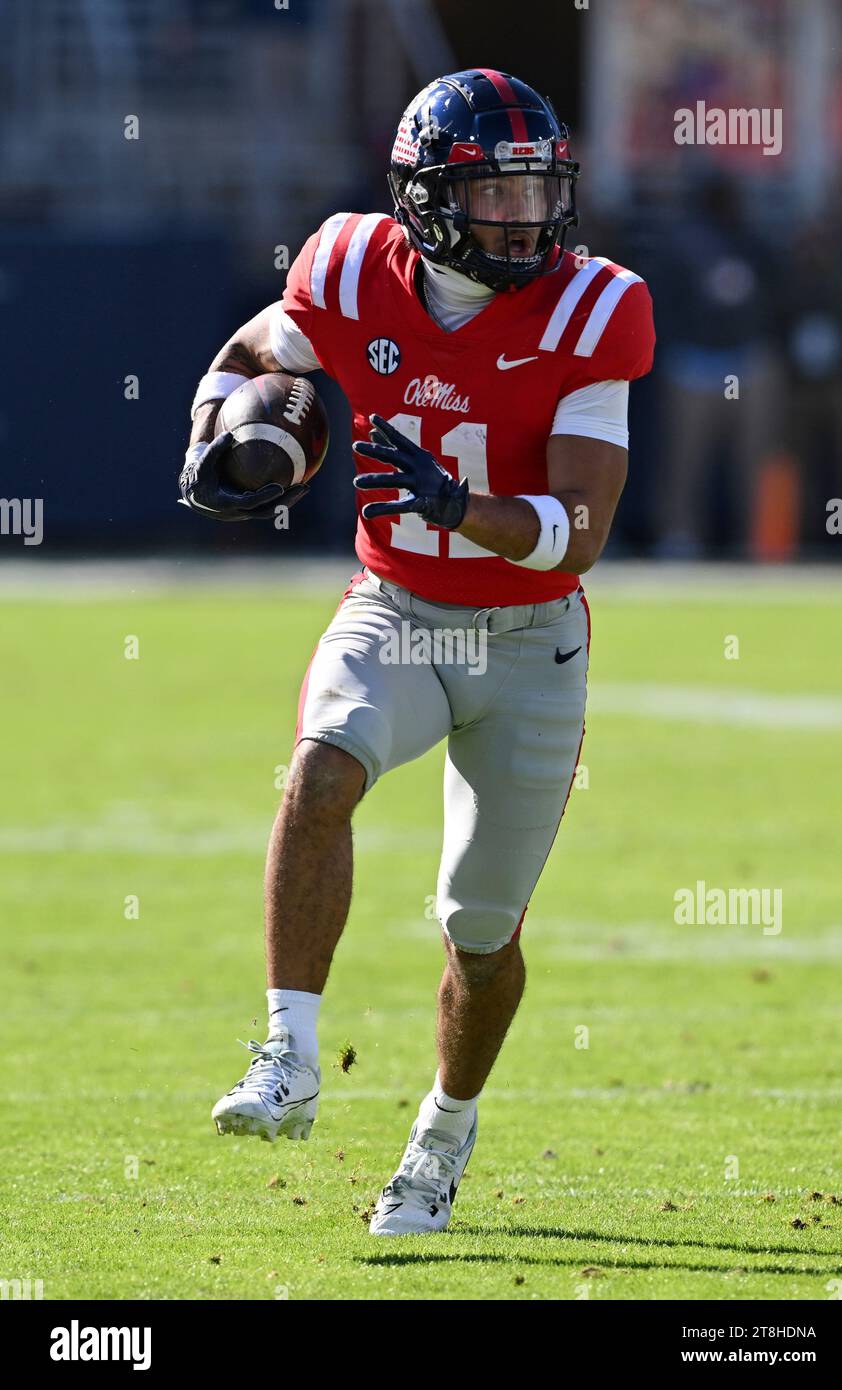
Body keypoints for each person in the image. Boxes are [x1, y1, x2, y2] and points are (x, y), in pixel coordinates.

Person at [179, 69, 655, 1236]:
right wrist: (214, 433)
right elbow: (249, 354)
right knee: (320, 769)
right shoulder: (346, 267)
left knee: (479, 937)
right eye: (495, 187)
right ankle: (290, 1050)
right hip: (396, 606)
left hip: (528, 638)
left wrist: (462, 506)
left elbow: (578, 533)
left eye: (537, 185)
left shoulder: (594, 306)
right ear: (427, 197)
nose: (522, 213)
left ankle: (441, 1136)